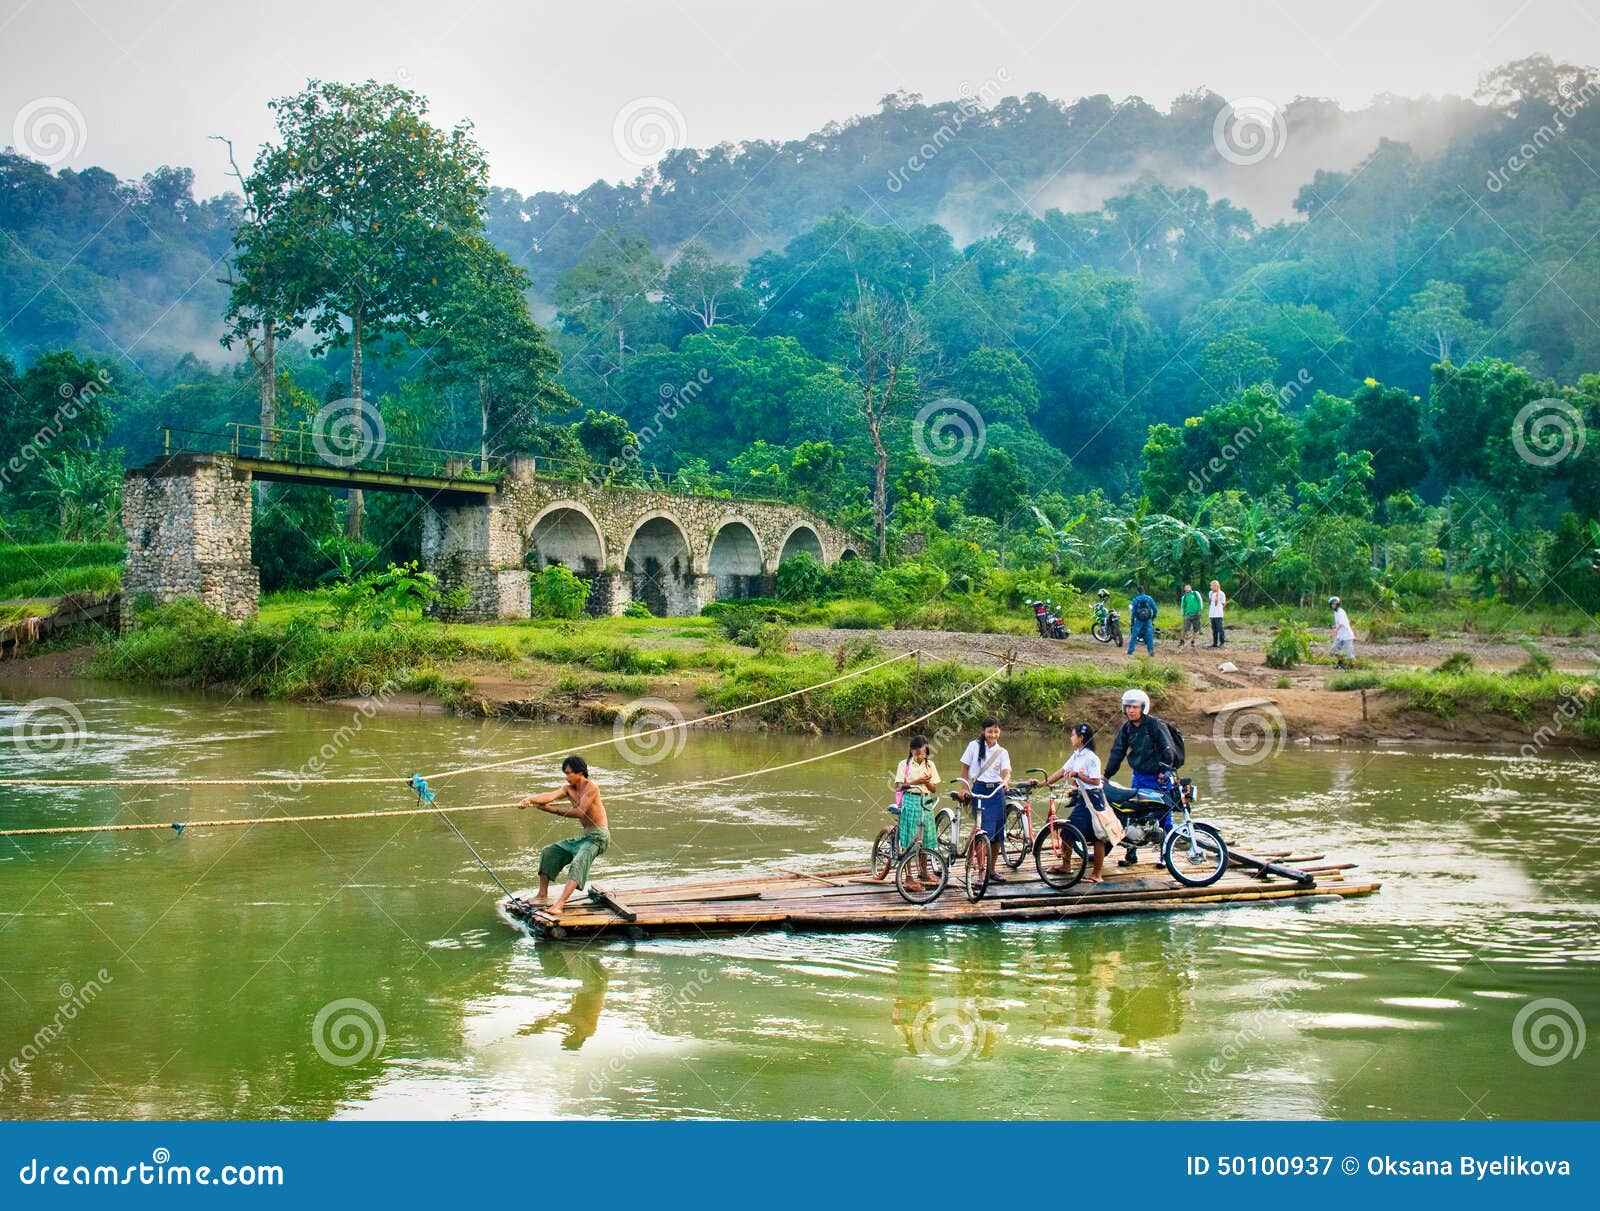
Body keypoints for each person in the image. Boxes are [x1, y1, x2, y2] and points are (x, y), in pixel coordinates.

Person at [518, 754, 610, 916]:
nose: (567, 777)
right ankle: (542, 895)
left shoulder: (591, 787)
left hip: (599, 837)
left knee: (578, 862)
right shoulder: (568, 789)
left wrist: (552, 810)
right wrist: (530, 799)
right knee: (549, 851)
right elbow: (550, 796)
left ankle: (560, 903)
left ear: (580, 772)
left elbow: (580, 812)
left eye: (569, 773)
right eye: (565, 774)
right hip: (585, 838)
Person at [1104, 688, 1179, 865]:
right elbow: (1117, 752)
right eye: (1127, 706)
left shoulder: (1155, 725)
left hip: (1159, 776)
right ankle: (1131, 855)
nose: (1130, 710)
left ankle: (1165, 857)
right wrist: (1106, 775)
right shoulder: (1126, 728)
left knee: (1164, 816)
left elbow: (1168, 748)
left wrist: (1164, 769)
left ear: (1143, 707)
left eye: (1134, 707)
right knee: (1134, 814)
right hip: (1139, 776)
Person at [1043, 722, 1109, 883]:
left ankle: (1097, 875)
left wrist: (1077, 775)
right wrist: (1043, 783)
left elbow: (1095, 781)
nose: (1071, 738)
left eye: (1073, 735)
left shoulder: (1091, 758)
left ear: (1081, 737)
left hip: (1093, 798)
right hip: (1083, 798)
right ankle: (1066, 866)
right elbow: (1062, 771)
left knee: (1097, 836)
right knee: (1067, 832)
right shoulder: (1077, 755)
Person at [959, 715, 1012, 884]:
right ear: (984, 731)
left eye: (996, 731)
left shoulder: (1002, 752)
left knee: (997, 834)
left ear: (999, 732)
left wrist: (1005, 781)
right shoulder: (973, 746)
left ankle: (991, 869)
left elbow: (1006, 772)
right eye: (990, 731)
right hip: (980, 789)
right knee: (984, 832)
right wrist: (964, 787)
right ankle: (981, 872)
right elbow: (965, 768)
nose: (993, 735)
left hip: (997, 792)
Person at [891, 735, 941, 891]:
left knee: (926, 838)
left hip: (925, 801)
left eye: (923, 753)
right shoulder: (904, 765)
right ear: (911, 751)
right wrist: (916, 782)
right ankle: (908, 877)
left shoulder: (930, 764)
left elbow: (934, 789)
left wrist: (926, 781)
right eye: (917, 753)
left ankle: (924, 872)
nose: (920, 756)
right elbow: (898, 787)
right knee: (910, 840)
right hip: (910, 800)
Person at [1126, 586, 1157, 656]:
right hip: (1148, 619)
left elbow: (1133, 611)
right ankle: (1151, 651)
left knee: (1134, 635)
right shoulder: (1149, 598)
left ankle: (1130, 651)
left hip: (1139, 620)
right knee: (1149, 635)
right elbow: (1155, 609)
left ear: (1137, 592)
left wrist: (1134, 619)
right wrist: (1153, 617)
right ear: (1144, 591)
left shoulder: (1135, 599)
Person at [1329, 596, 1355, 670]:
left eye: (1335, 604)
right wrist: (1333, 626)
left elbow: (1341, 624)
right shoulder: (1335, 612)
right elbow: (1338, 624)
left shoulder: (1341, 611)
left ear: (1338, 604)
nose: (1333, 605)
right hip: (1340, 636)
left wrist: (1334, 632)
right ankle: (1340, 663)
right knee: (1334, 649)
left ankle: (1351, 666)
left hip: (1347, 636)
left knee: (1348, 652)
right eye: (1332, 604)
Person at [1179, 582, 1204, 648]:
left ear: (1190, 588)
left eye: (1188, 587)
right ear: (1184, 589)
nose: (1187, 589)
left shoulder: (1195, 593)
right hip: (1188, 614)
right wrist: (1183, 614)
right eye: (1185, 588)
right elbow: (1183, 606)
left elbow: (1200, 601)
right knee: (1185, 628)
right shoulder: (1184, 597)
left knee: (1196, 629)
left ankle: (1192, 642)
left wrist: (1200, 610)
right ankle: (1182, 641)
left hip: (1196, 614)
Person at [1208, 580, 1227, 648]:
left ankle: (1222, 642)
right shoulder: (1210, 593)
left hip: (1218, 614)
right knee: (1214, 629)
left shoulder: (1221, 593)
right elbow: (1210, 602)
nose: (1213, 587)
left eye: (1215, 585)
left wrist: (1219, 608)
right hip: (1212, 613)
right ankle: (1215, 643)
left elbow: (1224, 603)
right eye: (1212, 586)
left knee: (1220, 628)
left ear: (1218, 586)